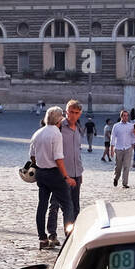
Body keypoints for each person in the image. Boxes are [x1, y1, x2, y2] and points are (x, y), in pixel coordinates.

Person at [30, 106, 77, 248]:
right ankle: (69, 237)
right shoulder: (56, 134)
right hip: (54, 173)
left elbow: (32, 156)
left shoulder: (38, 133)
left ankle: (42, 238)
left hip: (41, 173)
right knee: (67, 205)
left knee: (42, 206)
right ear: (59, 119)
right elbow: (58, 158)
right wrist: (66, 177)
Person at [47, 100, 85, 236]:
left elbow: (77, 151)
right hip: (61, 173)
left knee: (75, 205)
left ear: (80, 114)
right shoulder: (59, 128)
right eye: (71, 112)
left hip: (76, 172)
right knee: (55, 204)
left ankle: (72, 233)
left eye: (76, 113)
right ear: (66, 112)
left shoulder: (79, 128)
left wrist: (80, 172)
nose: (73, 116)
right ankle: (52, 232)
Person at [111, 110, 135, 188]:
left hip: (128, 148)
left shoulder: (131, 126)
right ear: (121, 116)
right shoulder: (116, 126)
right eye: (124, 115)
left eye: (127, 116)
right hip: (118, 148)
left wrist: (133, 145)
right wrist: (111, 148)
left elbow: (133, 136)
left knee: (126, 166)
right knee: (118, 167)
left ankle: (125, 183)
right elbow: (113, 137)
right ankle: (116, 178)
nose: (126, 117)